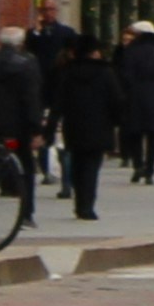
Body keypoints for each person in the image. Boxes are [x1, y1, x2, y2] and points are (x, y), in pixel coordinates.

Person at [47, 17, 118, 220]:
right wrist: (116, 121)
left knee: (77, 163)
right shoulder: (106, 73)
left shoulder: (68, 73)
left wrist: (50, 129)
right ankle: (87, 205)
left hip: (74, 126)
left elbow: (58, 103)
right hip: (99, 126)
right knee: (92, 167)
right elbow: (116, 100)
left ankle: (79, 202)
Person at [0, 27, 49, 228]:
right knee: (26, 168)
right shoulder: (27, 65)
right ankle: (26, 214)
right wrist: (36, 128)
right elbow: (31, 98)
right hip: (19, 128)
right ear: (20, 43)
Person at [117, 19, 154, 184]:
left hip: (135, 95)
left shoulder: (130, 52)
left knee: (135, 133)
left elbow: (125, 75)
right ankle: (150, 170)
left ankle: (137, 165)